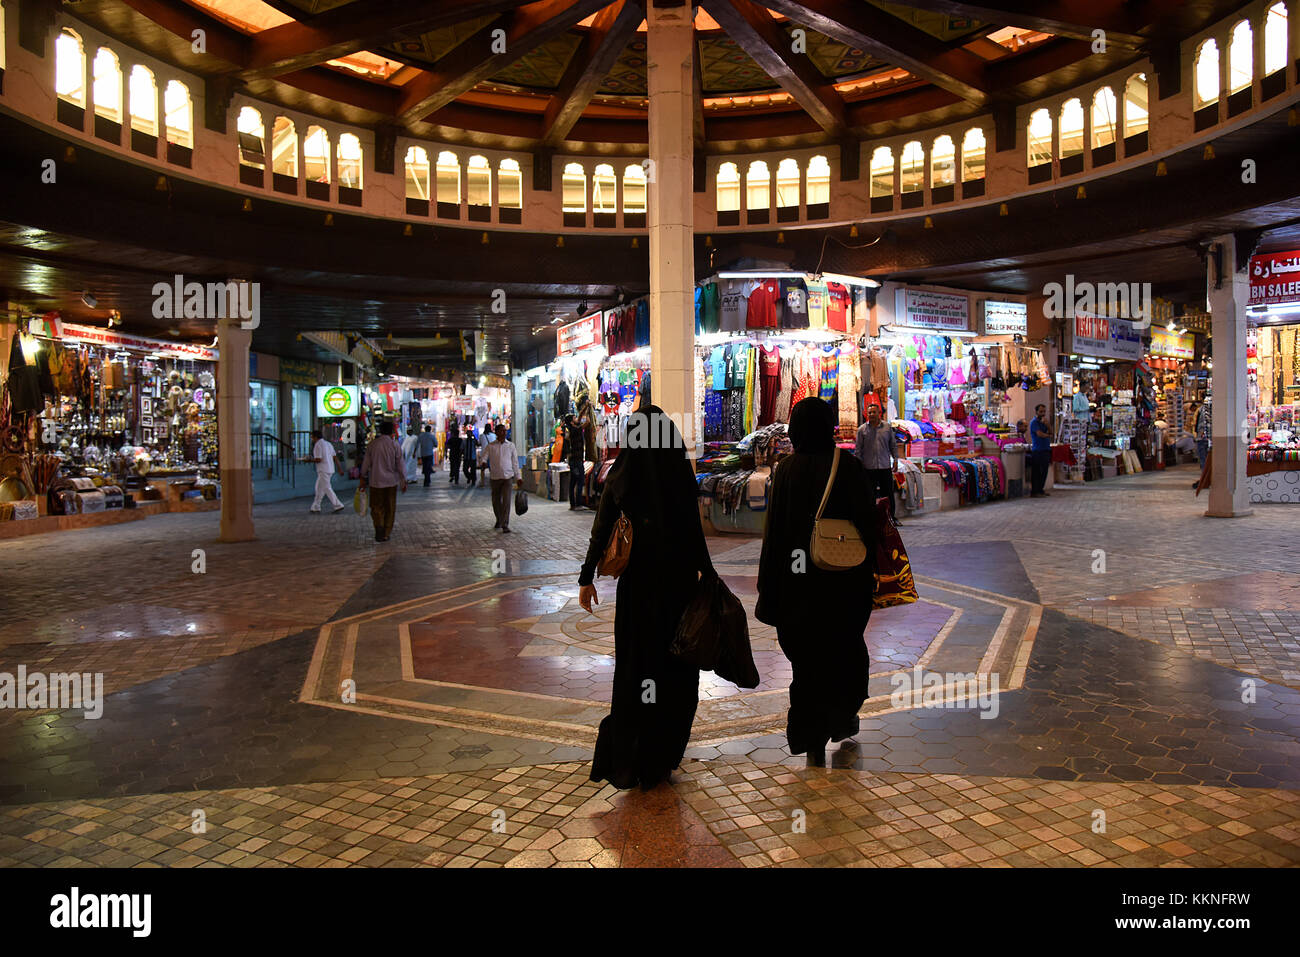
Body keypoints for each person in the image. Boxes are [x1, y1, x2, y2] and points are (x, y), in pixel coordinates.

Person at [577, 390, 715, 790]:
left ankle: (631, 756)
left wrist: (587, 577)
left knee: (639, 670)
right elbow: (694, 533)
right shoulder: (679, 473)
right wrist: (707, 575)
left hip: (639, 594)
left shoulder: (625, 472)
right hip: (678, 588)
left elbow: (602, 527)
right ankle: (663, 754)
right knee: (676, 670)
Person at [757, 397, 878, 762]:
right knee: (844, 653)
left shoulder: (787, 470)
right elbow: (868, 528)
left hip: (798, 587)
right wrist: (868, 573)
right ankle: (841, 718)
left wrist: (769, 587)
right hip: (843, 584)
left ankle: (812, 738)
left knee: (807, 663)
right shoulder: (851, 468)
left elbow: (774, 533)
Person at [359, 419, 407, 542]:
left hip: (376, 481)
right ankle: (386, 532)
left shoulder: (372, 445)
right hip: (391, 482)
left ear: (380, 431)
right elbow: (400, 465)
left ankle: (379, 527)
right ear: (392, 431)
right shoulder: (395, 445)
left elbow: (366, 463)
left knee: (376, 506)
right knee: (390, 507)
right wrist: (403, 480)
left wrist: (362, 477)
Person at [854, 401, 899, 524]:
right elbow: (858, 450)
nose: (872, 414)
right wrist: (859, 466)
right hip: (869, 468)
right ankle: (871, 519)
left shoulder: (887, 428)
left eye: (874, 412)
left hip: (884, 466)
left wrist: (895, 460)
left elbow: (893, 446)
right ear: (866, 414)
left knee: (888, 494)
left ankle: (891, 518)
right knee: (870, 495)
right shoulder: (861, 430)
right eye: (869, 412)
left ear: (879, 413)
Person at [487, 423, 522, 532]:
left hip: (508, 477)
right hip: (495, 477)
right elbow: (483, 457)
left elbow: (515, 463)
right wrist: (483, 463)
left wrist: (518, 477)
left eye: (504, 431)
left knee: (506, 501)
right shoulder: (491, 446)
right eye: (501, 431)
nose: (503, 433)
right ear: (496, 433)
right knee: (496, 501)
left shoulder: (511, 446)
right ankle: (499, 519)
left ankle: (505, 524)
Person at [305, 429, 344, 513]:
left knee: (327, 488)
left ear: (315, 437)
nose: (311, 439)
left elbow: (318, 459)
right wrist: (340, 469)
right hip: (330, 468)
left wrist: (309, 460)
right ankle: (316, 506)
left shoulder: (317, 445)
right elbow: (335, 457)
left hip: (323, 469)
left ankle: (338, 505)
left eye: (312, 437)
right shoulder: (328, 444)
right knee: (319, 488)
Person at [1029, 403, 1052, 497]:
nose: (1042, 413)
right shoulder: (1034, 422)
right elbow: (1040, 434)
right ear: (1036, 412)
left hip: (1045, 449)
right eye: (1041, 411)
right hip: (1037, 450)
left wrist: (1047, 425)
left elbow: (1051, 432)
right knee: (1037, 472)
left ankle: (1041, 489)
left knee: (1044, 471)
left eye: (1044, 411)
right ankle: (1035, 491)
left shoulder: (1044, 422)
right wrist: (1048, 435)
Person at [565, 412, 587, 510]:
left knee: (573, 482)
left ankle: (573, 505)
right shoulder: (575, 430)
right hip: (577, 460)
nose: (576, 418)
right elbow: (587, 422)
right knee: (580, 481)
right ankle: (578, 504)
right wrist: (588, 409)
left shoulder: (571, 429)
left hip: (573, 460)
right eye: (574, 418)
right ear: (571, 421)